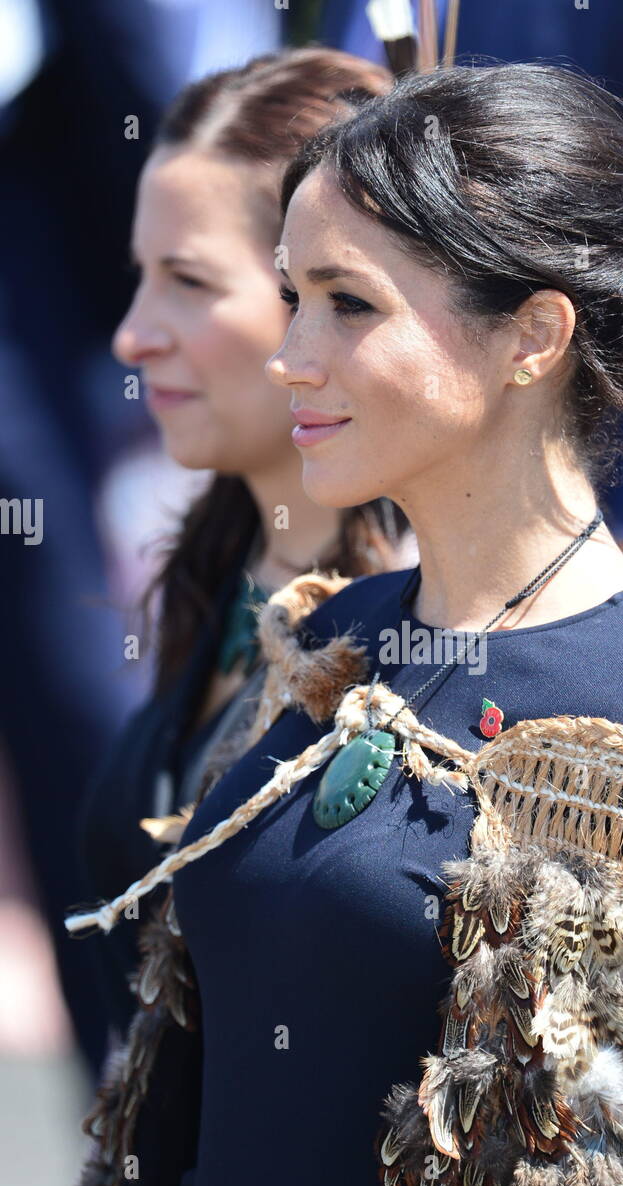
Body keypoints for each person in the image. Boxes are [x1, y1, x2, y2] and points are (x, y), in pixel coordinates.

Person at [57, 62, 623, 1186]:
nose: (295, 355)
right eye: (289, 298)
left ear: (532, 335)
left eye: (349, 306)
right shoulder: (342, 638)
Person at [79, 47, 412, 1044]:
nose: (131, 337)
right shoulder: (219, 569)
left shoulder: (435, 625)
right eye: (140, 277)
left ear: (332, 296)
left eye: (187, 281)